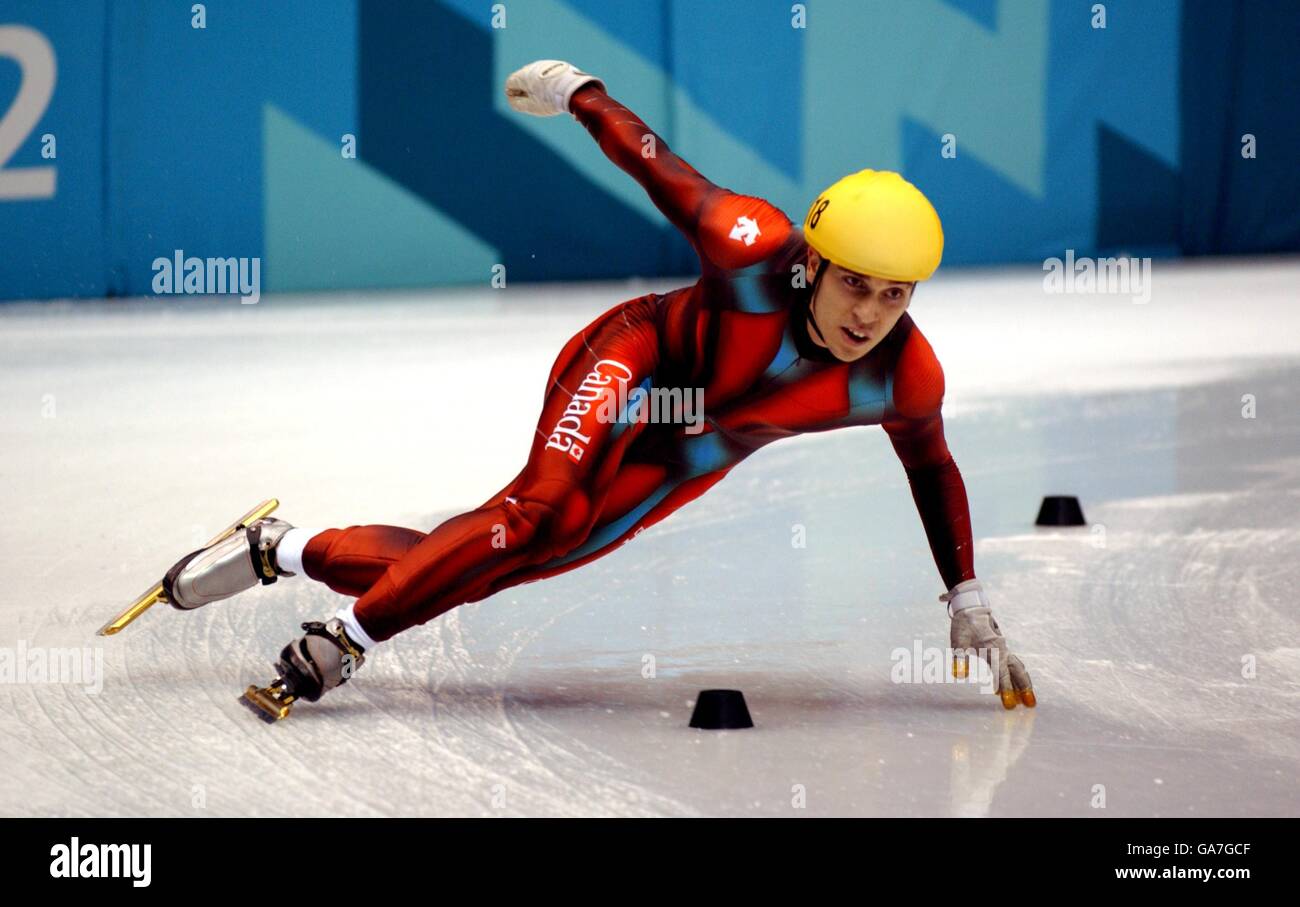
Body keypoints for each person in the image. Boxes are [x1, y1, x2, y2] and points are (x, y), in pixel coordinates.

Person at [163, 60, 1034, 714]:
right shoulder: (752, 244)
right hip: (638, 362)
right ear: (812, 262)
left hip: (692, 444)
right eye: (855, 283)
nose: (869, 314)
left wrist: (968, 595)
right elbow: (659, 165)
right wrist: (578, 91)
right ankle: (343, 642)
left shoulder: (905, 374)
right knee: (529, 519)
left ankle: (281, 544)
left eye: (896, 295)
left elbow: (932, 468)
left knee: (502, 564)